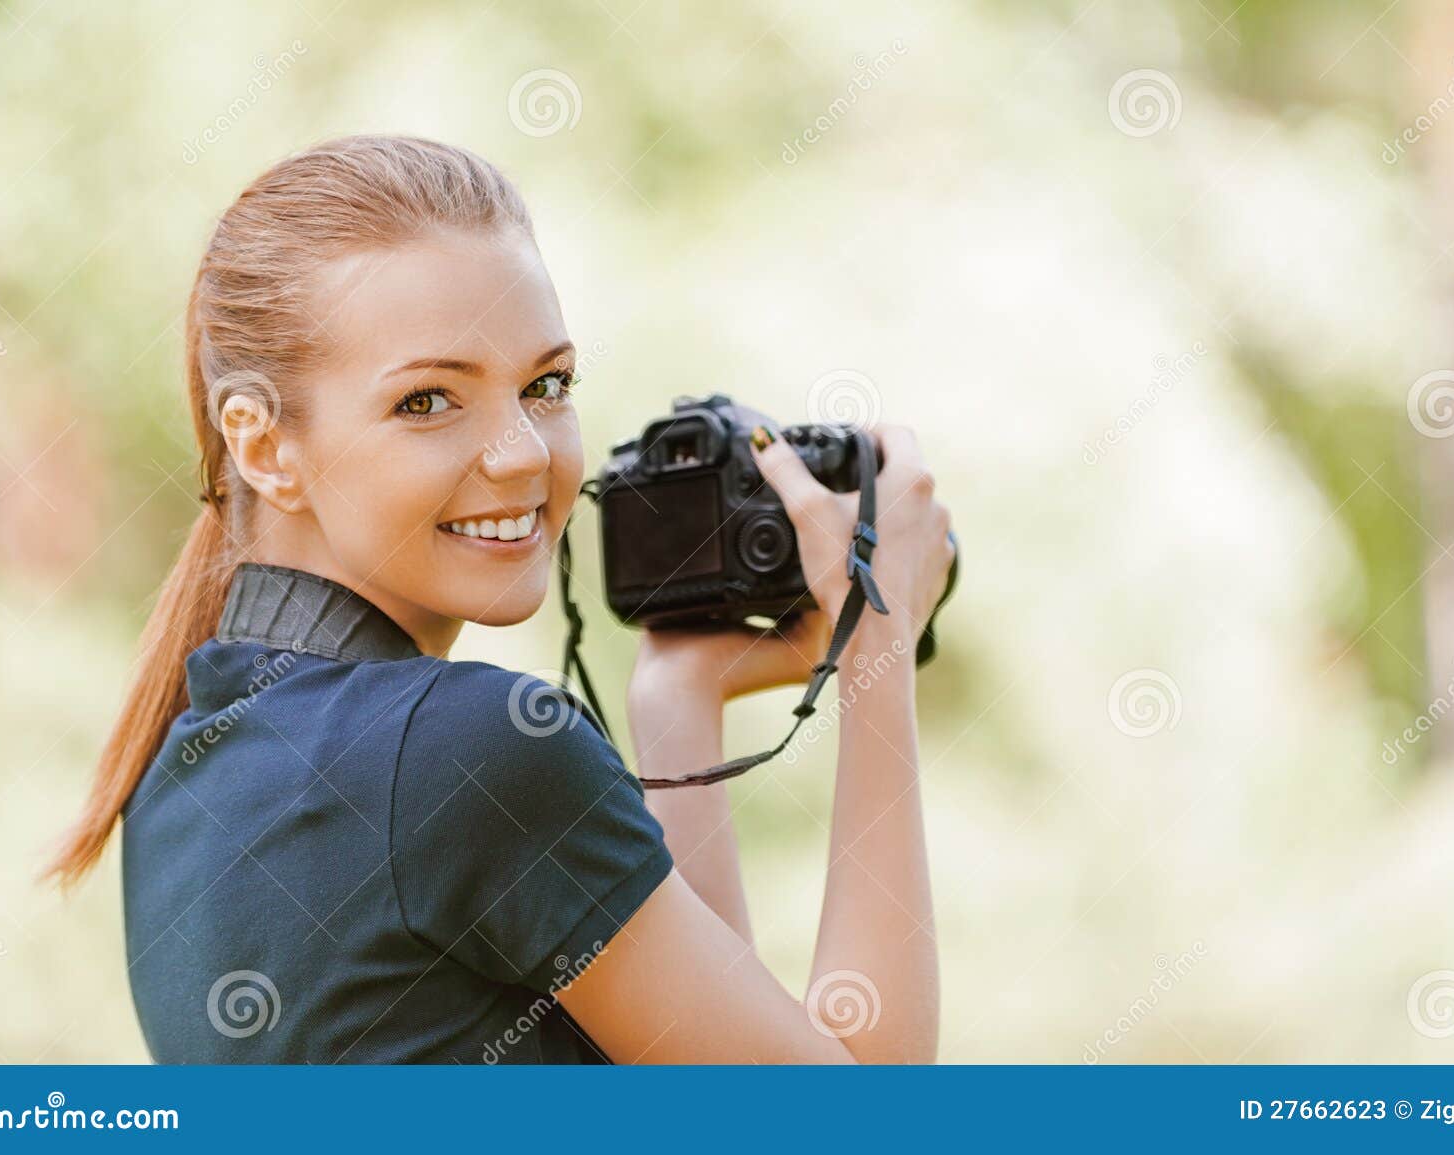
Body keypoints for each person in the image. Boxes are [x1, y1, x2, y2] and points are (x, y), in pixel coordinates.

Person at [47, 135, 956, 1064]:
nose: (522, 451)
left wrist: (675, 698)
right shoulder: (467, 749)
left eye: (545, 384)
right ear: (265, 446)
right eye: (428, 401)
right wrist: (875, 646)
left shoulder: (176, 775)